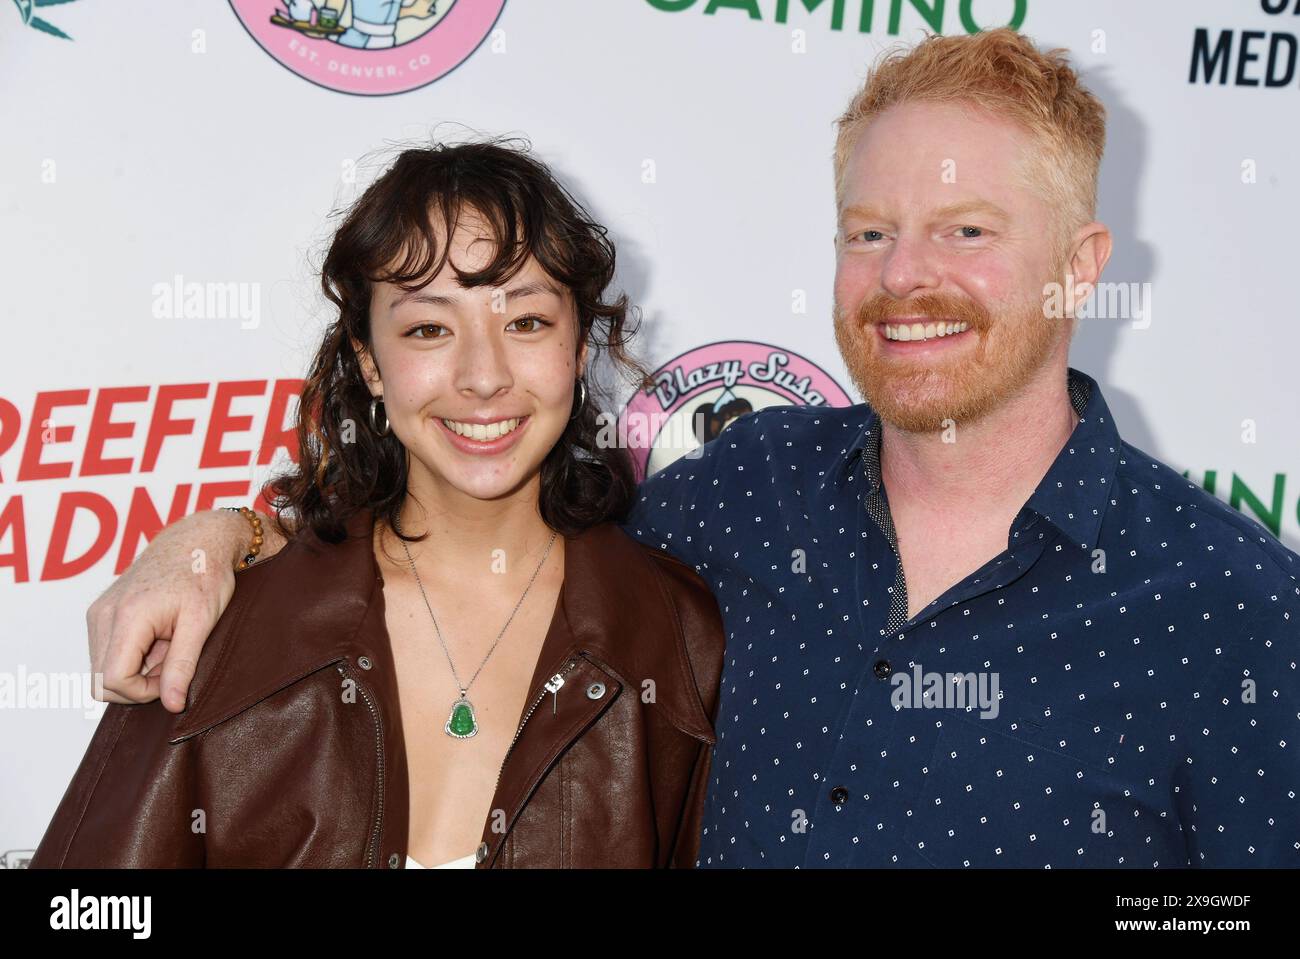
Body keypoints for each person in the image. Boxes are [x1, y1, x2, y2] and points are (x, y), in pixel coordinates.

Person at [75, 30, 1299, 868]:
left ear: (1079, 267)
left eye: (965, 228)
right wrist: (222, 535)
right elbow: (464, 516)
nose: (906, 277)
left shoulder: (1236, 614)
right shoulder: (738, 504)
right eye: (869, 231)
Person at [30, 138, 725, 869]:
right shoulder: (226, 625)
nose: (483, 376)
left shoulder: (677, 640)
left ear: (579, 347)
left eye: (525, 321)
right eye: (429, 328)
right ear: (368, 359)